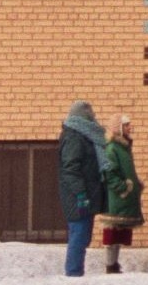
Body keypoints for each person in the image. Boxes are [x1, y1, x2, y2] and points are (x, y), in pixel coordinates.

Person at [58, 100, 109, 277]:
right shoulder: (74, 137)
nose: (94, 116)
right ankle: (73, 274)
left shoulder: (84, 135)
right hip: (78, 197)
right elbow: (70, 169)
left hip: (87, 194)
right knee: (79, 235)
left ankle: (76, 272)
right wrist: (80, 193)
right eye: (91, 113)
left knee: (83, 236)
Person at [100, 114, 145, 275]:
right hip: (116, 197)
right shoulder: (112, 148)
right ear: (118, 128)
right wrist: (123, 188)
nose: (129, 128)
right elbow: (109, 173)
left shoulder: (123, 147)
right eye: (126, 125)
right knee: (112, 231)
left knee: (119, 231)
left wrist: (136, 184)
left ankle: (114, 264)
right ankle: (110, 264)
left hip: (122, 198)